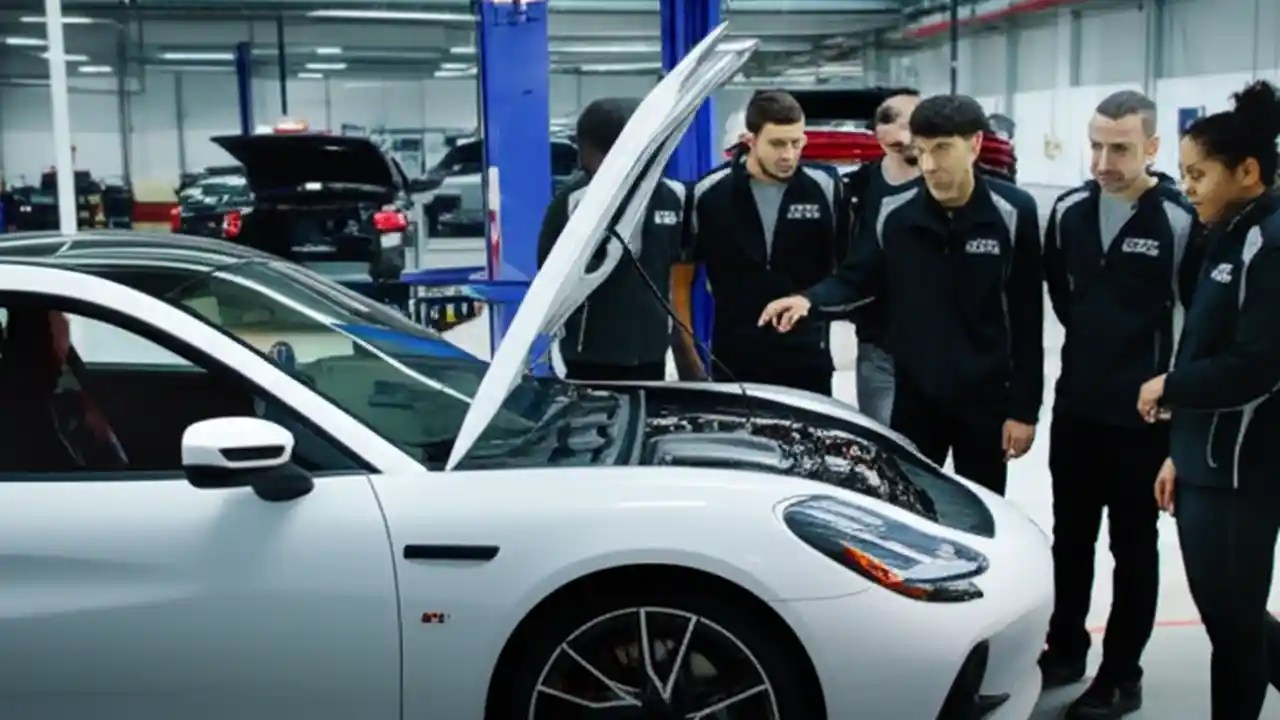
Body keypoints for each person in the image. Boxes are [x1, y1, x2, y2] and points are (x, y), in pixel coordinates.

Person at [757, 94, 1043, 495]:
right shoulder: (896, 214)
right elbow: (857, 278)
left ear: (975, 144)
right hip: (915, 398)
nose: (928, 165)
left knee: (982, 510)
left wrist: (1024, 410)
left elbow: (1028, 317)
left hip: (985, 402)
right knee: (909, 505)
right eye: (922, 151)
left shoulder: (1013, 212)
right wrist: (809, 300)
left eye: (942, 150)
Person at [1038, 90, 1203, 719]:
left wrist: (1172, 398)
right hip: (1077, 406)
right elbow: (1063, 295)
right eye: (1097, 146)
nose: (1104, 161)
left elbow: (1197, 319)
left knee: (1132, 546)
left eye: (1121, 149)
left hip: (1143, 419)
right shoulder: (1070, 212)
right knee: (1070, 539)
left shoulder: (1179, 220)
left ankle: (1121, 673)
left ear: (1153, 148)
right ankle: (1066, 646)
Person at [1137, 79, 1280, 720]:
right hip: (1208, 459)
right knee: (1229, 618)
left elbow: (1261, 363)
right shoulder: (1230, 228)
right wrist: (1180, 451)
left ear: (1247, 171)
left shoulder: (1270, 241)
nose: (1187, 186)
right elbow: (1204, 341)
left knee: (1235, 624)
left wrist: (1172, 388)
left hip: (1246, 468)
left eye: (1199, 173)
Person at [682, 89, 845, 396]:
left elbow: (846, 266)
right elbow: (682, 276)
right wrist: (687, 353)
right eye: (777, 144)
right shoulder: (710, 193)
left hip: (807, 354)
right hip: (735, 357)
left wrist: (818, 302)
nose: (788, 155)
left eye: (797, 143)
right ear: (750, 141)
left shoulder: (825, 185)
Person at [536, 97, 703, 382]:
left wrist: (685, 354)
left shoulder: (673, 196)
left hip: (651, 354)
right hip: (586, 356)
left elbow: (678, 280)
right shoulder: (572, 203)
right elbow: (548, 278)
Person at [841, 89, 921, 426]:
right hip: (879, 344)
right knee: (886, 445)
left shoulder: (946, 187)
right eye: (893, 127)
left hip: (939, 345)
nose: (905, 137)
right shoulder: (857, 189)